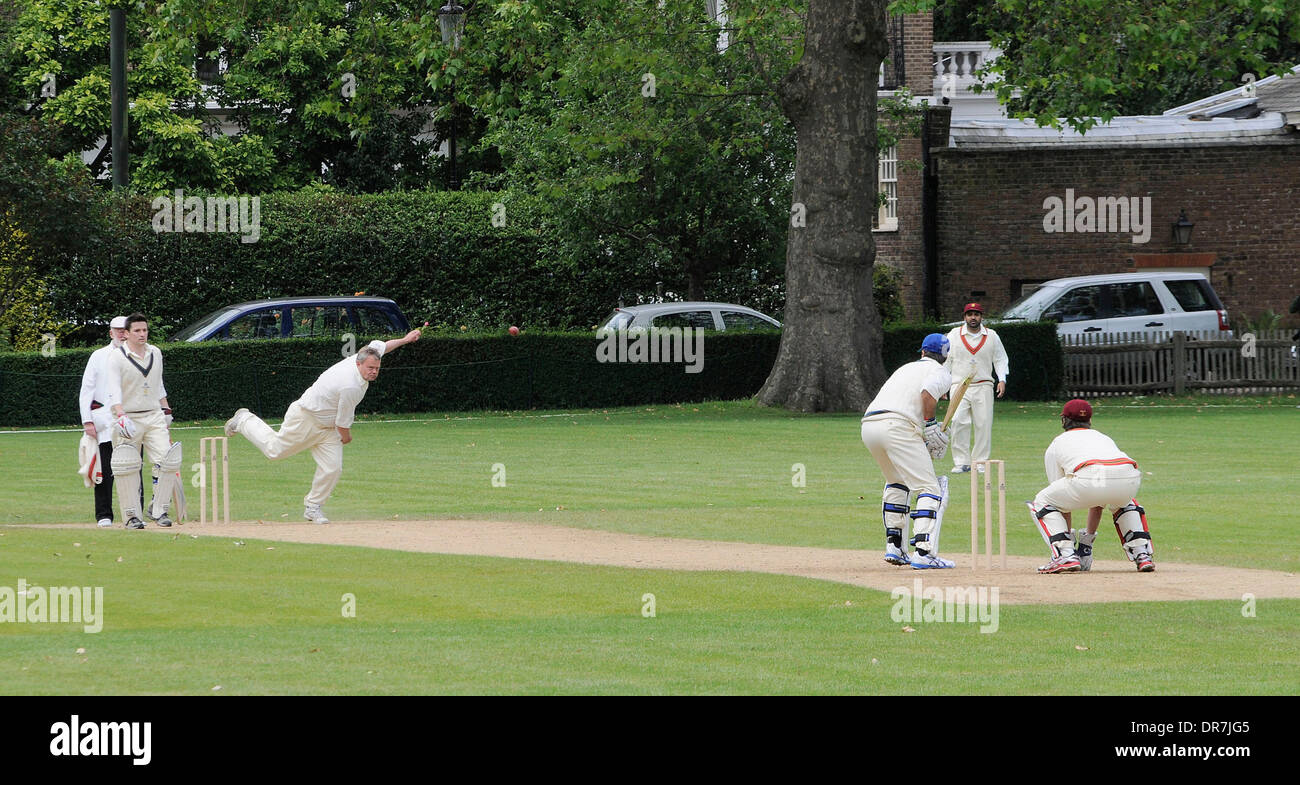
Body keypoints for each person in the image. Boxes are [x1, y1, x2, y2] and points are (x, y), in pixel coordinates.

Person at [225, 329, 422, 523]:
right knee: (274, 451)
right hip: (306, 418)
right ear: (358, 362)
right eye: (370, 368)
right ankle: (243, 420)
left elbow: (383, 346)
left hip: (328, 428)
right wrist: (347, 438)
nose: (374, 372)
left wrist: (405, 339)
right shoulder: (350, 385)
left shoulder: (366, 354)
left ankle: (313, 507)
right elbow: (342, 425)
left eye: (377, 368)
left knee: (332, 468)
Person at [861, 333, 954, 569]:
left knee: (897, 481)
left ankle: (895, 547)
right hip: (898, 426)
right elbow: (927, 395)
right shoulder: (941, 372)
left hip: (870, 425)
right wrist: (931, 425)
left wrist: (923, 435)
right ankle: (923, 552)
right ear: (945, 356)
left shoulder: (906, 368)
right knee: (929, 487)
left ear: (922, 352)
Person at [1029, 399, 1154, 574]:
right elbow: (1099, 500)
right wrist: (1085, 546)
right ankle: (1142, 554)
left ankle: (1064, 555)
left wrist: (1072, 549)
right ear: (1089, 420)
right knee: (1124, 501)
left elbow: (1062, 506)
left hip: (1089, 477)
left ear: (1064, 420)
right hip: (1129, 477)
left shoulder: (1057, 443)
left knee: (1043, 501)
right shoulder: (1103, 437)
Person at [105, 313, 180, 529]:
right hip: (128, 417)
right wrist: (120, 414)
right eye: (137, 331)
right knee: (127, 466)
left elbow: (158, 384)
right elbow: (113, 389)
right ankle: (131, 516)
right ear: (126, 334)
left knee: (167, 461)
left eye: (145, 330)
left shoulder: (155, 353)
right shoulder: (116, 357)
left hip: (153, 414)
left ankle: (158, 509)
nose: (142, 334)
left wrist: (166, 409)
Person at [943, 303, 1009, 474]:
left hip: (984, 384)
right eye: (970, 314)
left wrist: (1002, 379)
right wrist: (943, 384)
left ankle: (980, 462)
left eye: (977, 314)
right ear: (964, 317)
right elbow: (947, 361)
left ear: (982, 317)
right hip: (959, 385)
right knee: (958, 421)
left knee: (983, 423)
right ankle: (961, 462)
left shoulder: (992, 336)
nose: (973, 317)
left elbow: (1000, 359)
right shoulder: (954, 335)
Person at [78, 316, 130, 527]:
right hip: (105, 422)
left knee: (132, 467)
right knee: (104, 470)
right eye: (116, 330)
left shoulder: (137, 356)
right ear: (110, 333)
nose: (120, 334)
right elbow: (87, 390)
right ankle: (104, 515)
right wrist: (87, 421)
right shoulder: (98, 356)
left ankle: (134, 513)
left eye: (124, 330)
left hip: (129, 420)